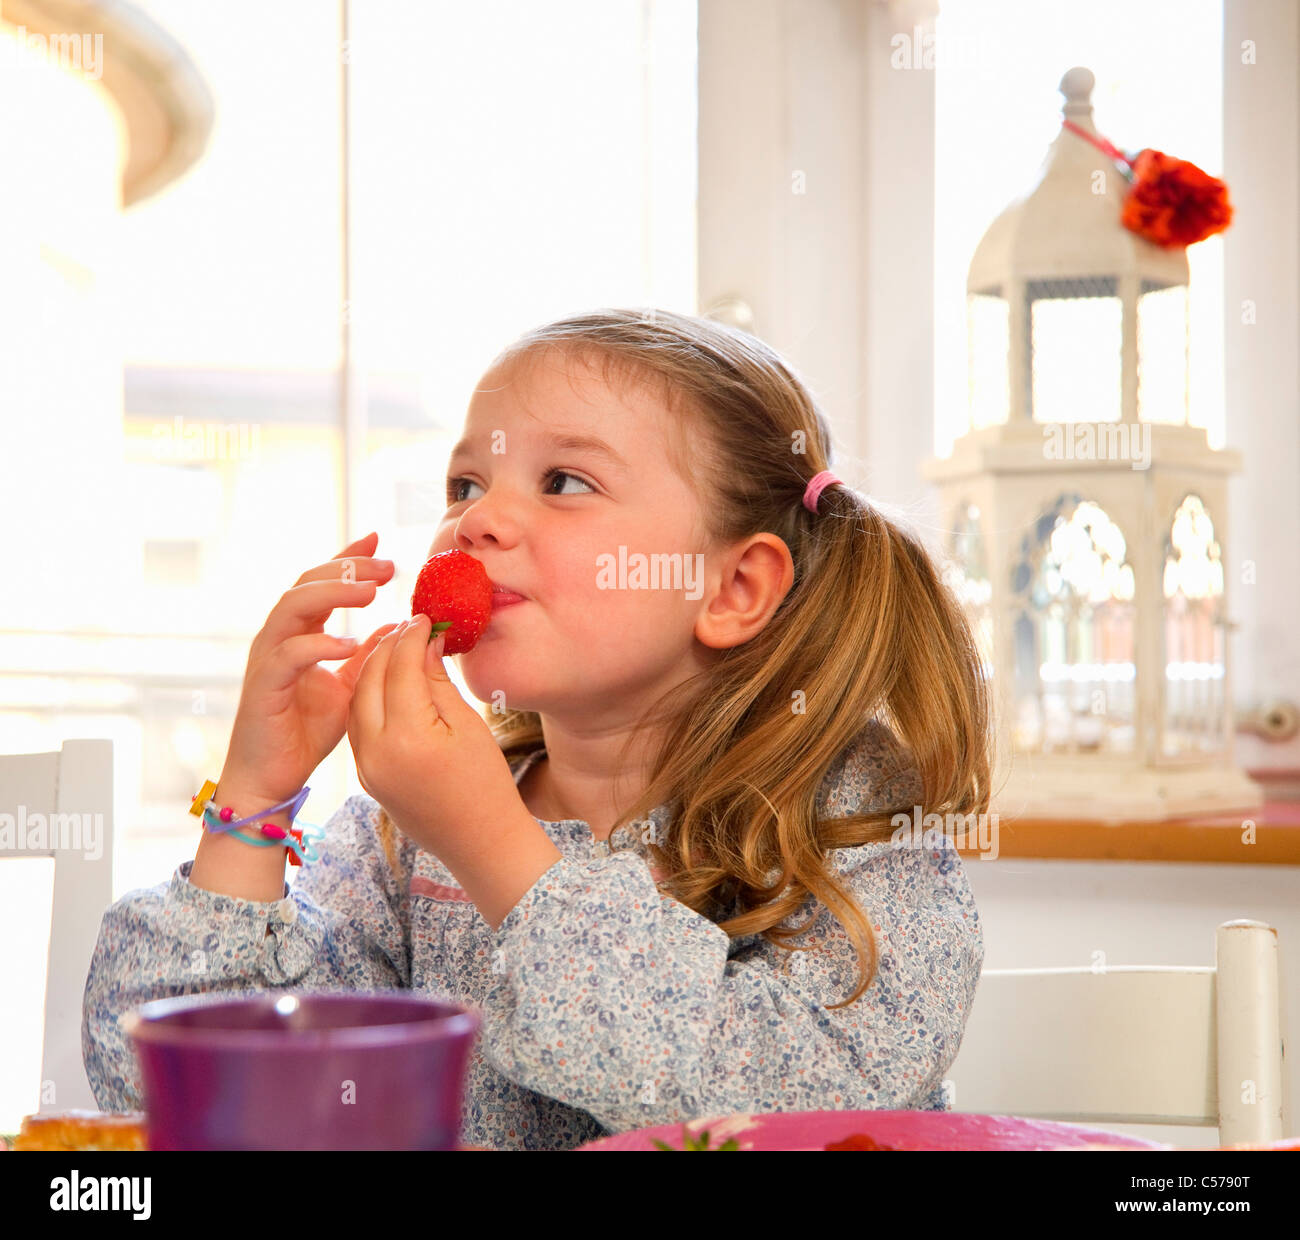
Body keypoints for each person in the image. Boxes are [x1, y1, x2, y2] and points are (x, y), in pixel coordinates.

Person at [83, 307, 993, 1151]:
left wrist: (496, 851)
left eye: (563, 481)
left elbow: (792, 1105)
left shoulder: (856, 833)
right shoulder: (401, 842)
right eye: (465, 481)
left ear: (732, 588)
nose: (475, 519)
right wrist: (252, 803)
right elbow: (179, 1107)